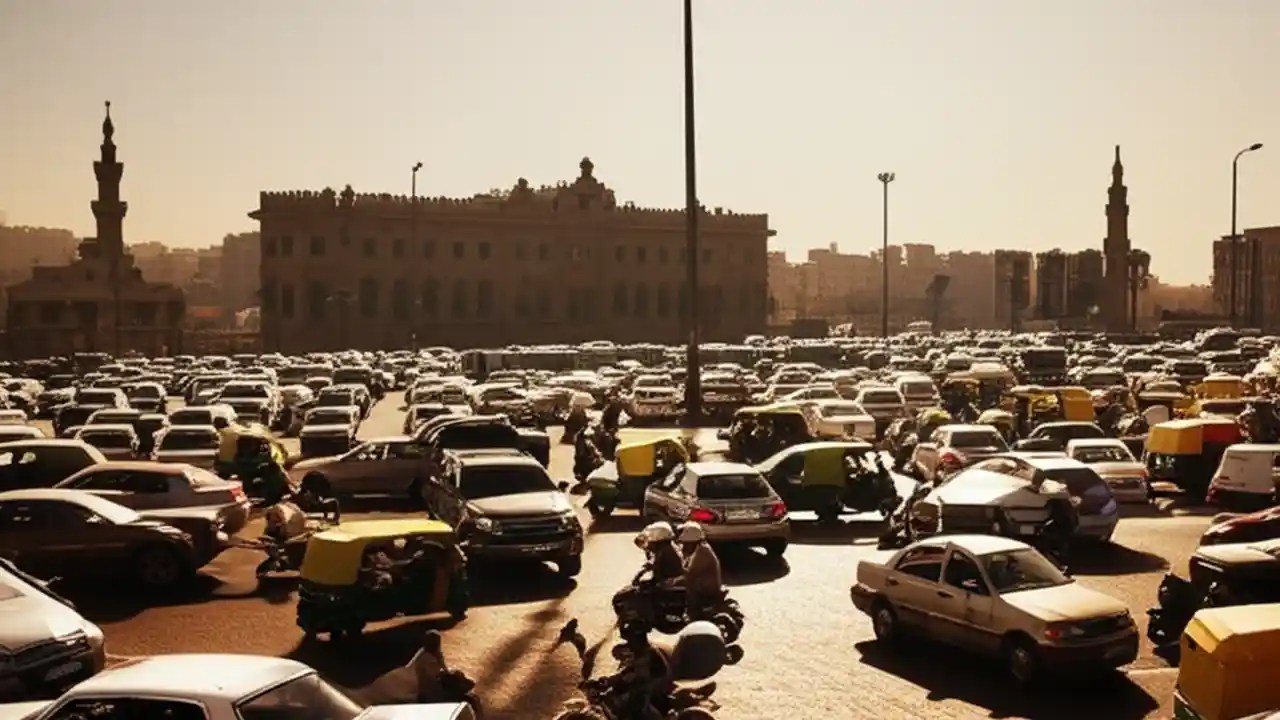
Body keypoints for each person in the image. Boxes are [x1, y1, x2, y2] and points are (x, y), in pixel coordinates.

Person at [677, 522, 722, 617]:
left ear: (692, 542)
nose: (683, 547)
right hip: (701, 586)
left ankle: (691, 616)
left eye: (686, 544)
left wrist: (674, 580)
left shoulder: (703, 552)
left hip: (706, 591)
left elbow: (690, 575)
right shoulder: (697, 549)